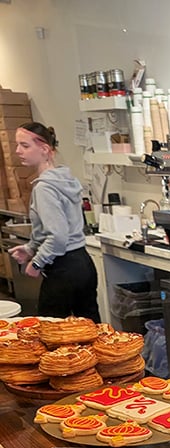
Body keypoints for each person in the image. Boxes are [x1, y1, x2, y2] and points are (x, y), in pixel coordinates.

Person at [10, 121, 100, 321]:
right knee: (91, 331)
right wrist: (31, 247)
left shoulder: (45, 188)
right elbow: (53, 228)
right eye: (17, 145)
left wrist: (37, 263)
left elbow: (58, 236)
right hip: (83, 263)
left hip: (63, 270)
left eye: (25, 146)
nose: (18, 151)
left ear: (44, 149)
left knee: (50, 334)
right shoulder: (66, 179)